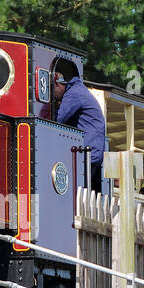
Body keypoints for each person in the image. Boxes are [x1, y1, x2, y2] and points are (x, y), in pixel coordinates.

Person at [52, 58, 106, 191]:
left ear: (58, 85)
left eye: (52, 90)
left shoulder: (74, 94)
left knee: (78, 192)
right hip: (92, 151)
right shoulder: (79, 90)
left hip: (88, 153)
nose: (53, 96)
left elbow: (58, 120)